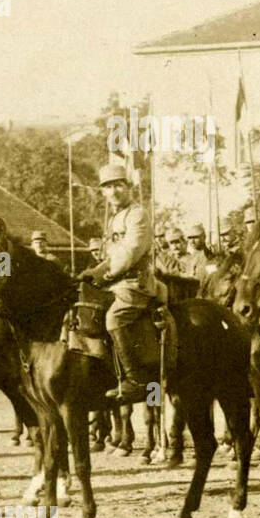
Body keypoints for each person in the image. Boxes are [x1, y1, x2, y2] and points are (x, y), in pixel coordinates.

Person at [78, 164, 160, 403]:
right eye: (108, 187)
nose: (113, 191)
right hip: (115, 282)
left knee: (114, 317)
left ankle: (135, 380)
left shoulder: (137, 214)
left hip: (134, 283)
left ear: (128, 187)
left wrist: (105, 275)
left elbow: (130, 251)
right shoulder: (114, 219)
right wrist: (92, 271)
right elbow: (111, 256)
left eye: (118, 185)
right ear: (102, 192)